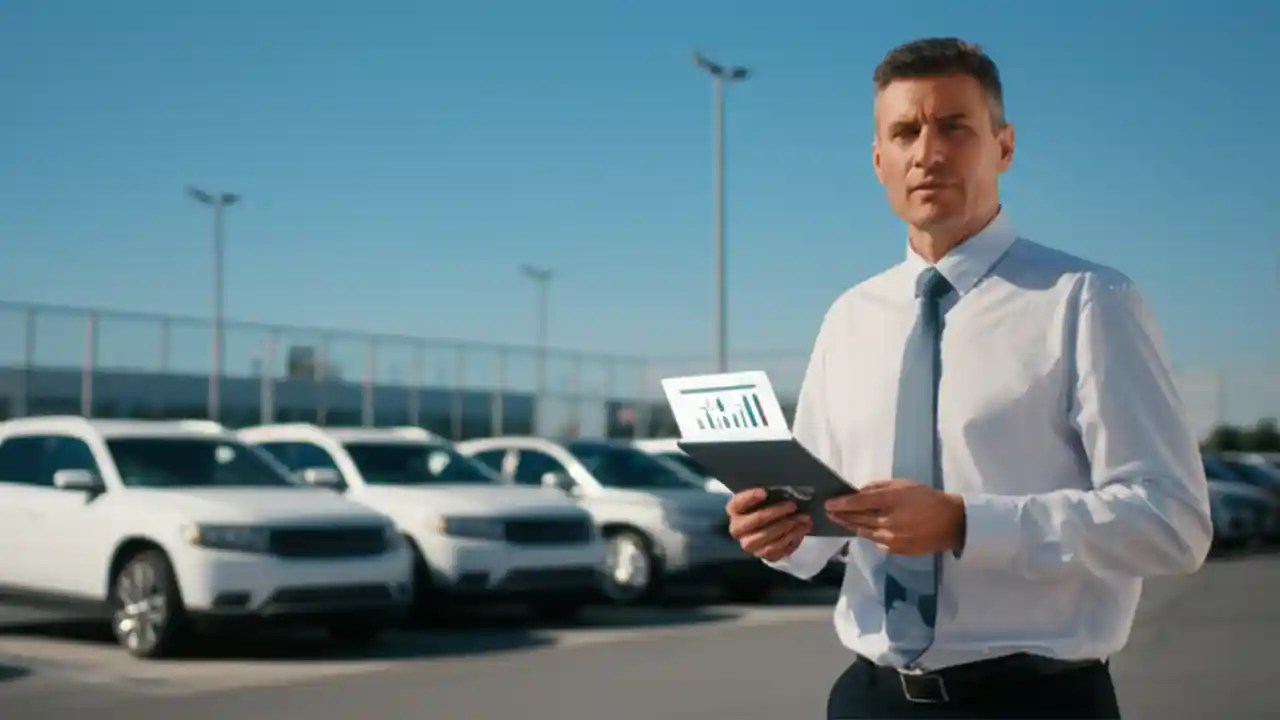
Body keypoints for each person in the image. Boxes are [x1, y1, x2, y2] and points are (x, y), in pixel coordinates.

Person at [726, 37, 1212, 719]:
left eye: (954, 126)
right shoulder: (849, 318)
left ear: (1003, 147)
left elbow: (1172, 523)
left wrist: (962, 523)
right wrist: (776, 532)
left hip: (1035, 702)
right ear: (878, 160)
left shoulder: (1086, 301)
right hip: (871, 699)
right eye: (905, 132)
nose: (928, 153)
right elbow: (823, 526)